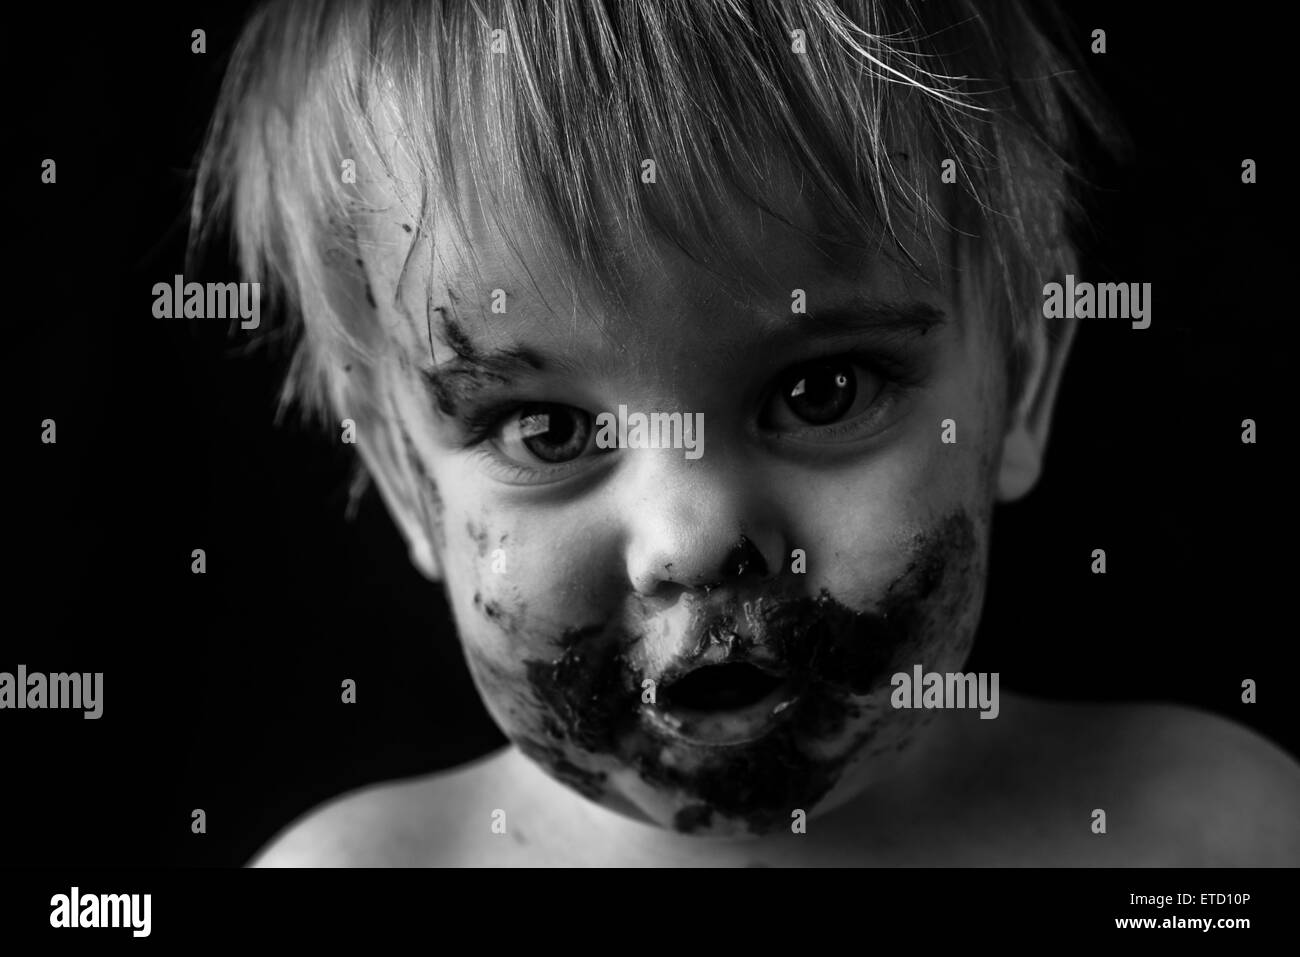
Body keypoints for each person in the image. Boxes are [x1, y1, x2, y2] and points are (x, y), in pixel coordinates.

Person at [192, 0, 1300, 865]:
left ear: (1017, 386)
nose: (691, 540)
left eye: (821, 392)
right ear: (403, 475)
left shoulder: (1210, 836)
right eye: (546, 430)